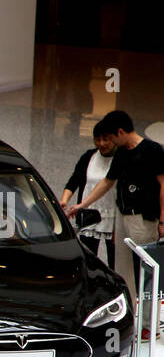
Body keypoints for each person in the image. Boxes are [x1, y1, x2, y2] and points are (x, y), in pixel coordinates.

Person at [65, 110, 164, 303]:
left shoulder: (153, 150)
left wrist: (163, 220)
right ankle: (129, 310)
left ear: (120, 132)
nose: (109, 143)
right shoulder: (122, 154)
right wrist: (82, 205)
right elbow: (107, 181)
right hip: (122, 215)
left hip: (143, 217)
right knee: (122, 267)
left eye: (111, 137)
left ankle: (146, 320)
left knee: (144, 269)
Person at [60, 119, 118, 271]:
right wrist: (65, 200)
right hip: (89, 215)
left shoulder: (122, 159)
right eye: (97, 139)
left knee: (115, 263)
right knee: (88, 261)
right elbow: (75, 180)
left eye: (105, 139)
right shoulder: (88, 157)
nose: (101, 143)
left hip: (114, 218)